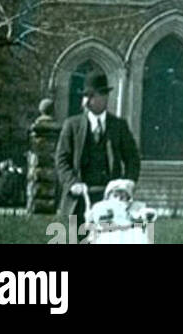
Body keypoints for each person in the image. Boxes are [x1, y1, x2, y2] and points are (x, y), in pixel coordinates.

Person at [55, 72, 140, 229]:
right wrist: (72, 183)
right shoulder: (72, 125)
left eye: (91, 96)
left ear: (104, 97)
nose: (85, 101)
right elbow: (61, 160)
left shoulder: (119, 126)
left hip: (111, 203)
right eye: (84, 96)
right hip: (79, 202)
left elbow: (133, 159)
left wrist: (126, 185)